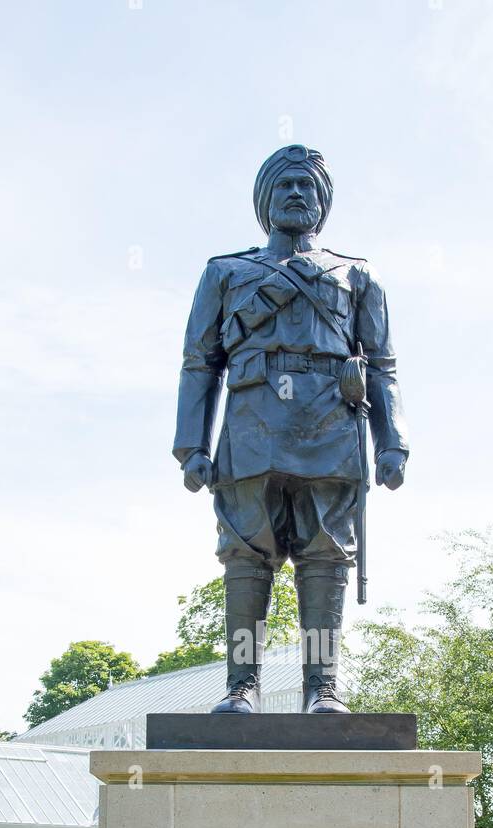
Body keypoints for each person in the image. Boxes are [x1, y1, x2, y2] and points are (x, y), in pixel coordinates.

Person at [173, 144, 409, 713]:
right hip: (251, 429)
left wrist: (392, 442)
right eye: (285, 185)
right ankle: (241, 687)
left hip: (331, 429)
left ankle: (321, 689)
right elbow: (200, 362)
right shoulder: (226, 272)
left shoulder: (357, 274)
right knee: (246, 557)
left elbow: (382, 364)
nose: (297, 194)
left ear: (323, 202)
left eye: (308, 186)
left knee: (325, 557)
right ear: (265, 200)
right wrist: (192, 447)